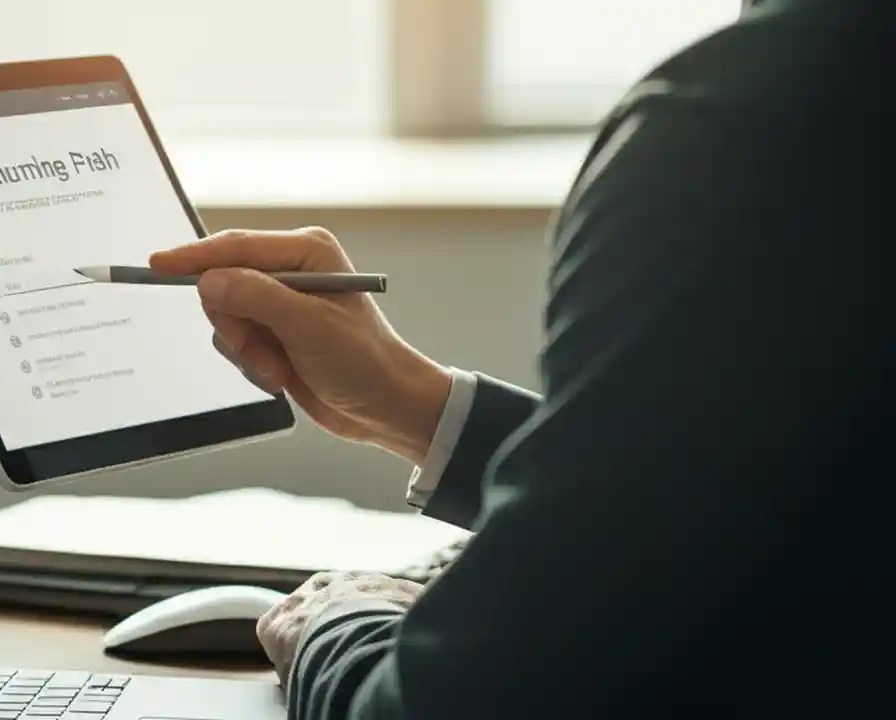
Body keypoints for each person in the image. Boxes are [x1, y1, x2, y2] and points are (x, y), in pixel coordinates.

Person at [151, 0, 887, 717]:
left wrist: (336, 622)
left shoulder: (746, 125)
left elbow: (447, 705)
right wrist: (410, 400)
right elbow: (747, 510)